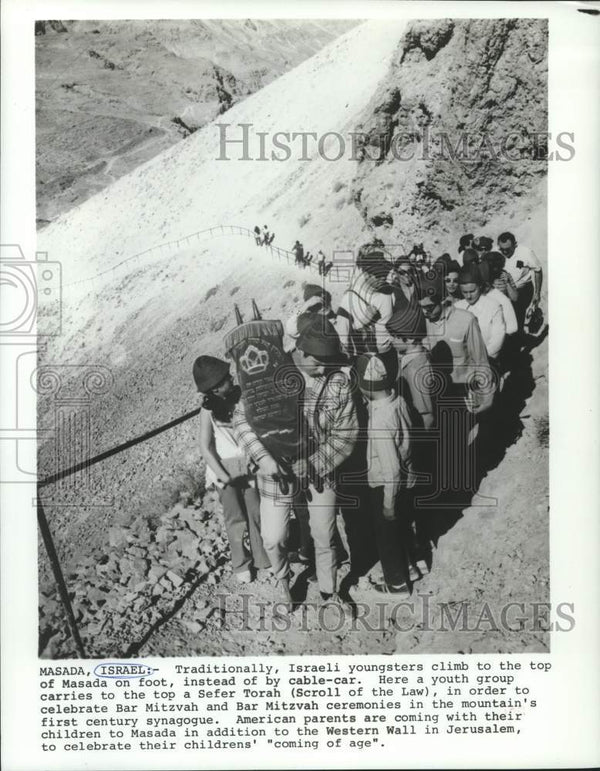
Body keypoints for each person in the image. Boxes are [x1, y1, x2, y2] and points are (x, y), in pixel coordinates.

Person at [232, 315, 358, 617]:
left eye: (330, 360)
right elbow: (241, 418)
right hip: (276, 473)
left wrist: (315, 462)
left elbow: (346, 433)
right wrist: (263, 457)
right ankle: (284, 583)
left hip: (319, 472)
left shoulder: (338, 384)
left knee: (324, 535)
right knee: (273, 537)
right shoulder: (264, 372)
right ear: (300, 351)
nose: (327, 368)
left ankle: (330, 592)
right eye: (320, 360)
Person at [193, 355, 270, 584]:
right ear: (215, 389)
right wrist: (222, 475)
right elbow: (205, 446)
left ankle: (262, 557)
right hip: (224, 469)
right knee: (235, 517)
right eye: (225, 379)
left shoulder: (241, 399)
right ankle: (240, 563)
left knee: (255, 512)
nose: (231, 379)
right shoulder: (207, 412)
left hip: (248, 465)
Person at [356, 353, 413, 594]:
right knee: (403, 528)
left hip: (386, 486)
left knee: (386, 537)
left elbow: (390, 470)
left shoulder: (380, 420)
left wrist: (388, 503)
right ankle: (411, 566)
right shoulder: (397, 400)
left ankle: (396, 582)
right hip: (408, 478)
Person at [455, 263, 507, 361]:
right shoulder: (457, 307)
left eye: (472, 291)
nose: (469, 296)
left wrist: (483, 358)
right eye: (465, 292)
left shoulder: (493, 305)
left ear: (480, 286)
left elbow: (498, 336)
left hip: (488, 359)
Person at [497, 231, 543, 329]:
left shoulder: (526, 253)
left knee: (517, 315)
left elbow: (538, 270)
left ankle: (518, 337)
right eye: (502, 249)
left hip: (523, 289)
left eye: (507, 249)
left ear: (515, 245)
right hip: (504, 290)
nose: (504, 252)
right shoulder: (497, 253)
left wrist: (537, 293)